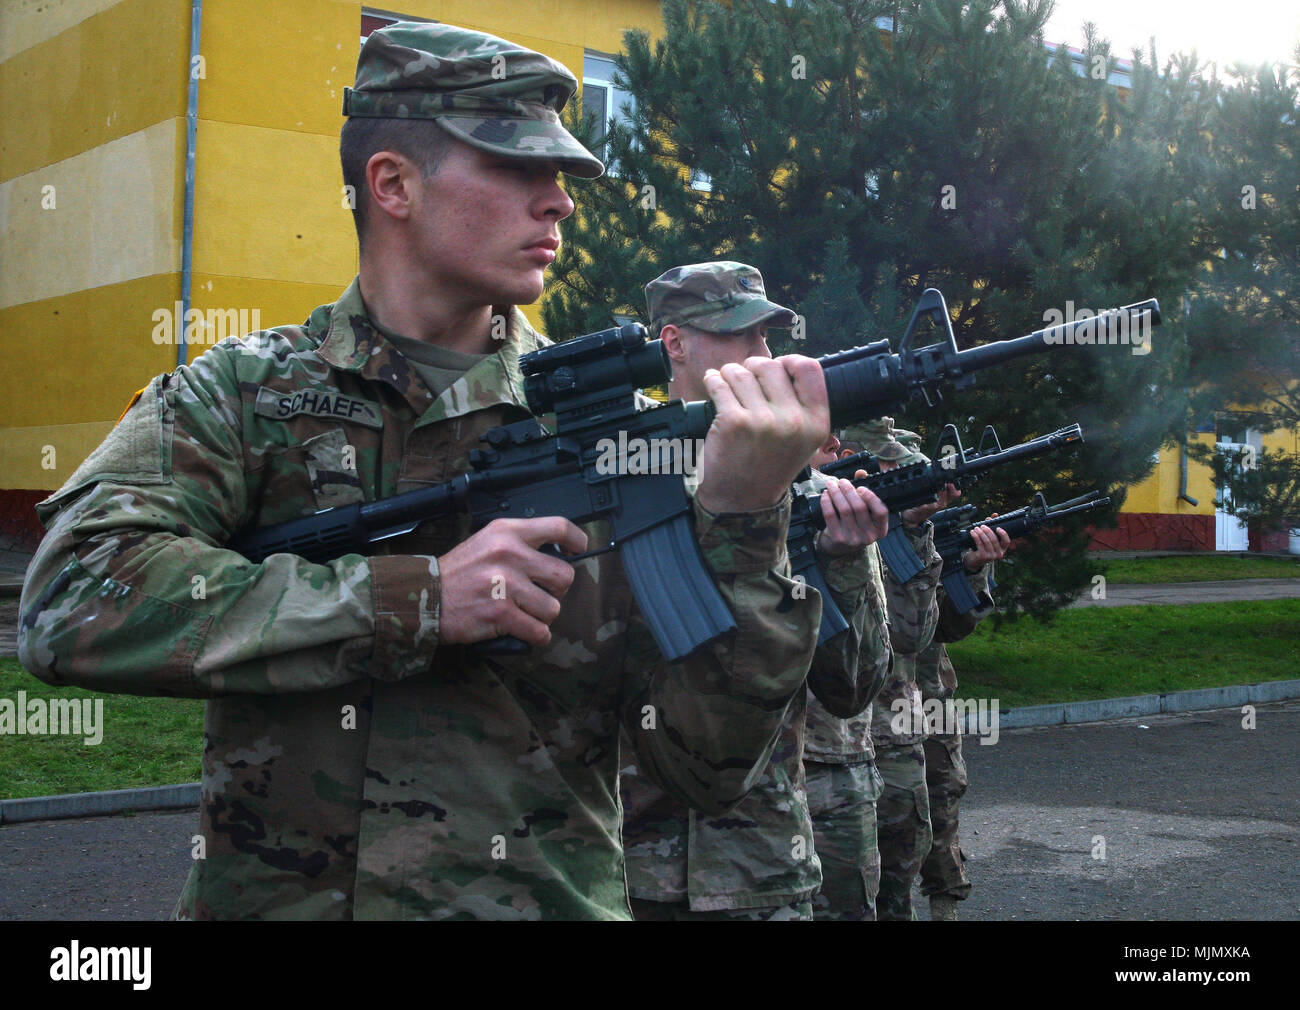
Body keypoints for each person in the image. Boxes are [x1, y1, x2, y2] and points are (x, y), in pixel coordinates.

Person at [17, 24, 833, 920]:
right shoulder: (246, 394)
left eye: (560, 177)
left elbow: (705, 768)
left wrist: (747, 522)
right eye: (518, 169)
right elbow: (69, 598)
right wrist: (417, 600)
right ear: (394, 183)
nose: (558, 203)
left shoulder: (619, 440)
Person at [618, 262, 893, 920]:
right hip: (626, 866)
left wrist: (845, 562)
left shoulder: (811, 493)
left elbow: (854, 687)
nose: (763, 355)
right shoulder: (614, 476)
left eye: (767, 337)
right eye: (740, 336)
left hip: (761, 870)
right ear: (674, 344)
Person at [802, 418, 945, 920]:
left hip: (868, 746)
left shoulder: (871, 528)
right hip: (803, 759)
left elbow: (915, 635)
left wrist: (916, 533)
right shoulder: (787, 514)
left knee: (890, 894)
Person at [872, 422, 1007, 921]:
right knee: (887, 829)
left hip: (927, 694)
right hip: (874, 704)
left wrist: (972, 570)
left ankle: (945, 908)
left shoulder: (924, 533)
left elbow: (949, 624)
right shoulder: (853, 528)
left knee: (941, 800)